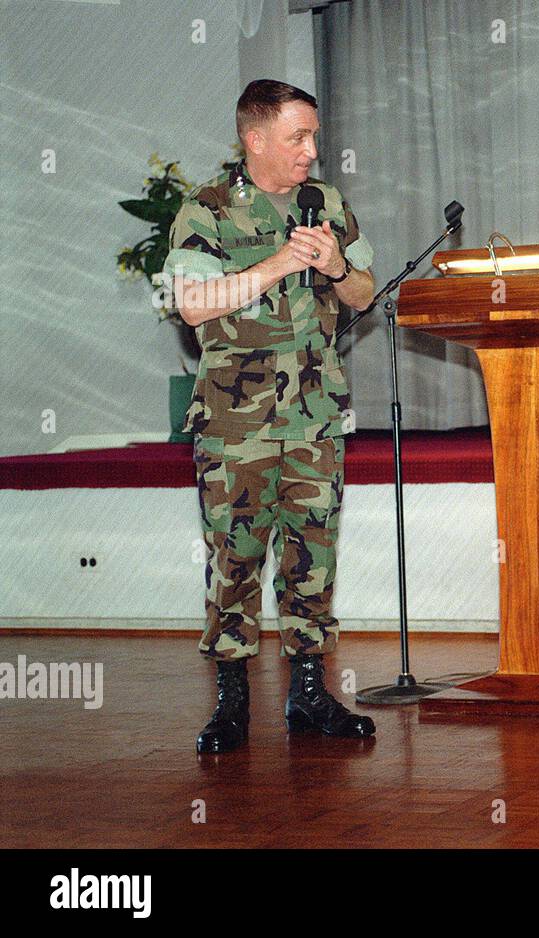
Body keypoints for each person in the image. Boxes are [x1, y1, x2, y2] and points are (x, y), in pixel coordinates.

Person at [162, 79, 377, 752]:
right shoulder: (208, 208)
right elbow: (192, 304)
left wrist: (338, 264)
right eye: (297, 138)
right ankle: (230, 702)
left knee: (313, 560)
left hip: (314, 416)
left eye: (313, 136)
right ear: (254, 140)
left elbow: (364, 296)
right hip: (236, 423)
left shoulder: (328, 205)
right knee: (236, 560)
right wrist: (280, 261)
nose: (311, 151)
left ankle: (309, 696)